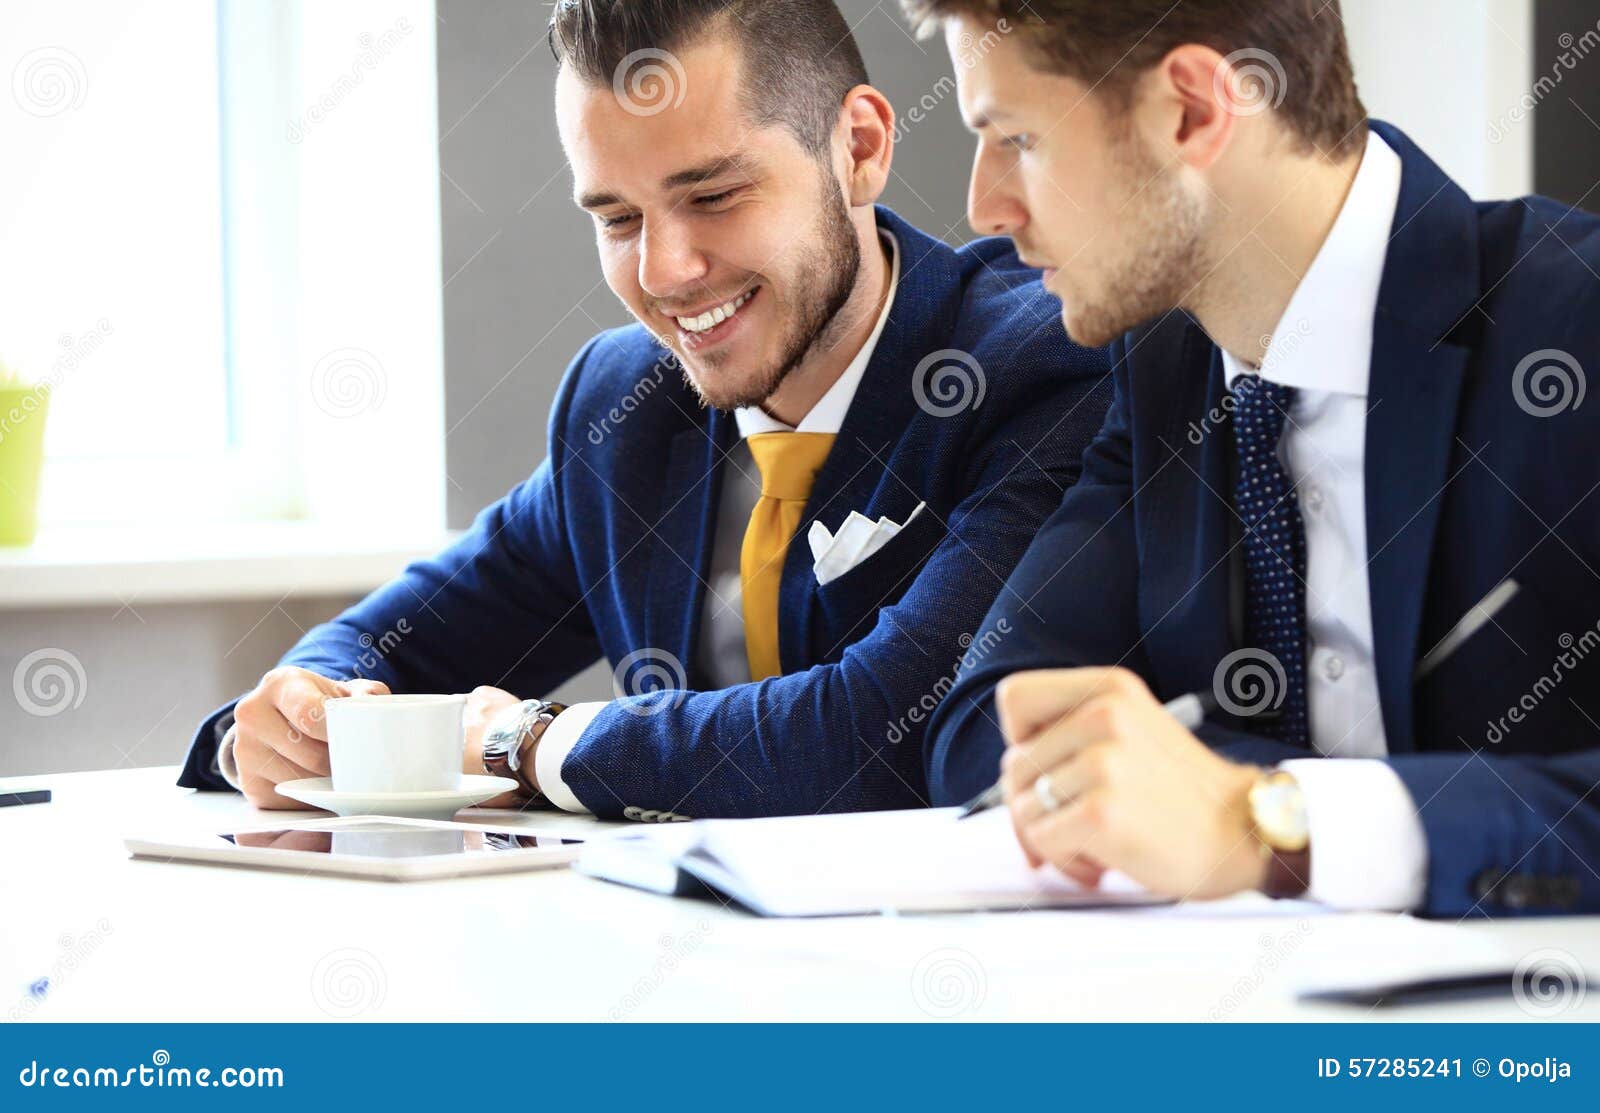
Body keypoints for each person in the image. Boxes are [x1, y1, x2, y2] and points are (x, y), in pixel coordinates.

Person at [175, 0, 1111, 820]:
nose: (664, 272)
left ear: (859, 148)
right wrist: (285, 717)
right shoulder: (624, 407)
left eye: (713, 194)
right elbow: (395, 642)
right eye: (618, 219)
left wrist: (525, 742)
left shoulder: (1038, 365)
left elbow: (881, 735)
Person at [906, 0, 1600, 915]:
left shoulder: (1572, 331)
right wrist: (1222, 809)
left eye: (1018, 139)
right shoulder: (1166, 368)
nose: (984, 211)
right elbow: (986, 719)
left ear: (1192, 110)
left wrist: (1269, 821)